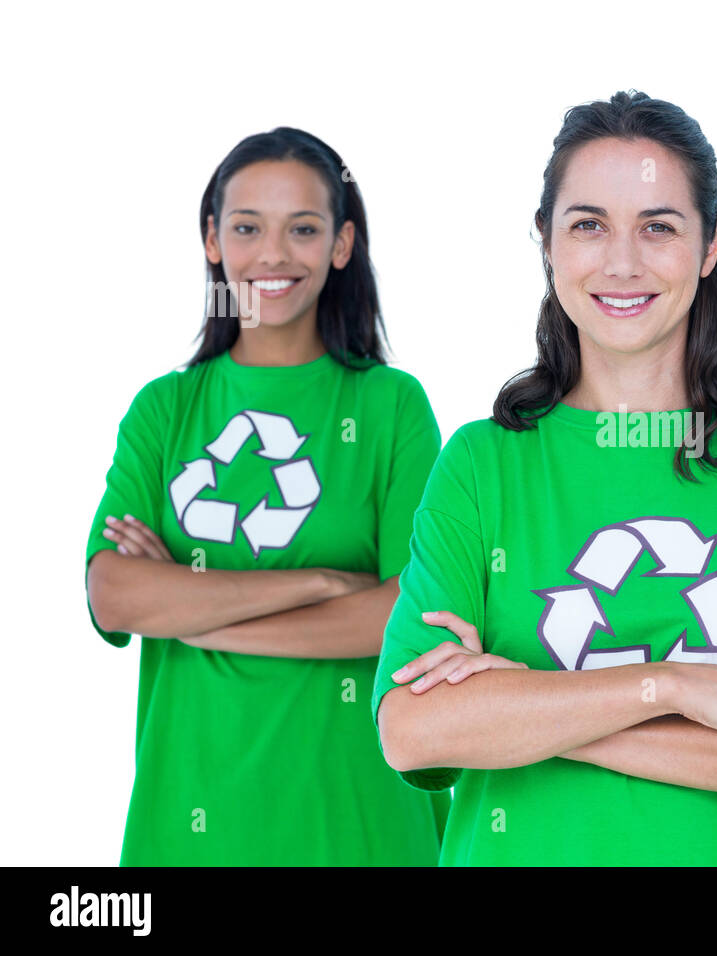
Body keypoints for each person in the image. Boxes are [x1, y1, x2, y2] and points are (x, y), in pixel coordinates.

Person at [372, 91, 717, 866]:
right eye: (588, 225)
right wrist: (680, 688)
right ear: (545, 241)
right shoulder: (483, 462)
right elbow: (413, 731)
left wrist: (529, 713)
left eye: (658, 226)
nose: (622, 262)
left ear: (713, 243)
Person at [84, 127, 448, 865]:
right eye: (248, 227)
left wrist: (191, 615)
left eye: (304, 229)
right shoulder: (165, 409)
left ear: (342, 245)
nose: (273, 255)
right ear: (212, 238)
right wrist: (316, 582)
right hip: (193, 824)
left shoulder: (391, 408)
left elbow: (405, 616)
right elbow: (113, 595)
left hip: (361, 823)